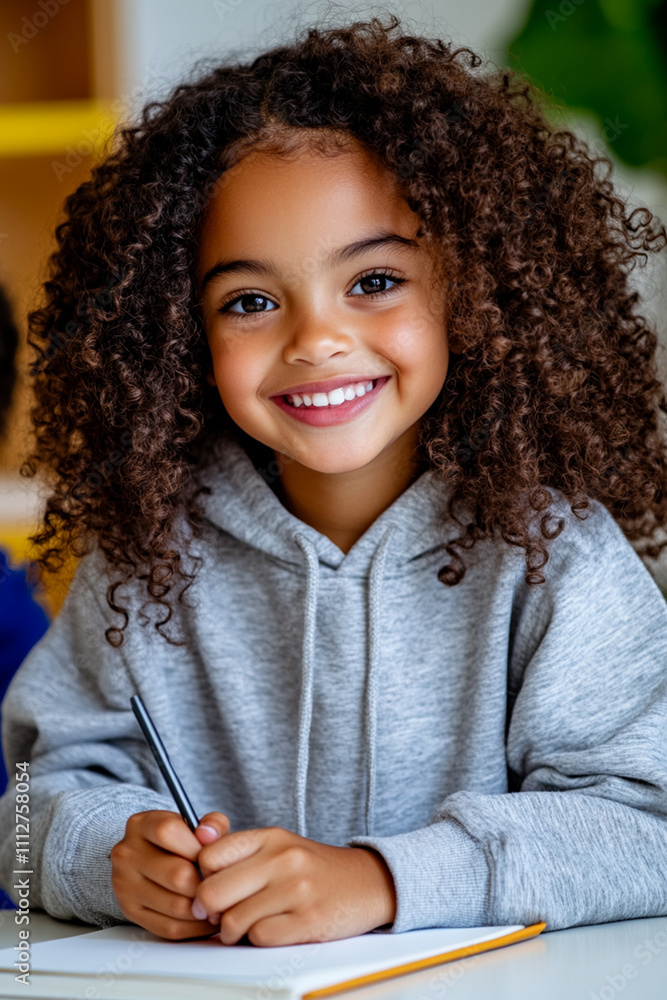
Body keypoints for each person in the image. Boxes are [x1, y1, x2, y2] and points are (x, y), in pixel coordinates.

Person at [0, 14, 666, 946]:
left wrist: (379, 882)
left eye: (374, 281)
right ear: (179, 334)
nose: (314, 339)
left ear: (473, 289)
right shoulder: (147, 557)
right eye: (251, 302)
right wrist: (107, 857)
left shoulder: (551, 552)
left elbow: (647, 830)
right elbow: (29, 803)